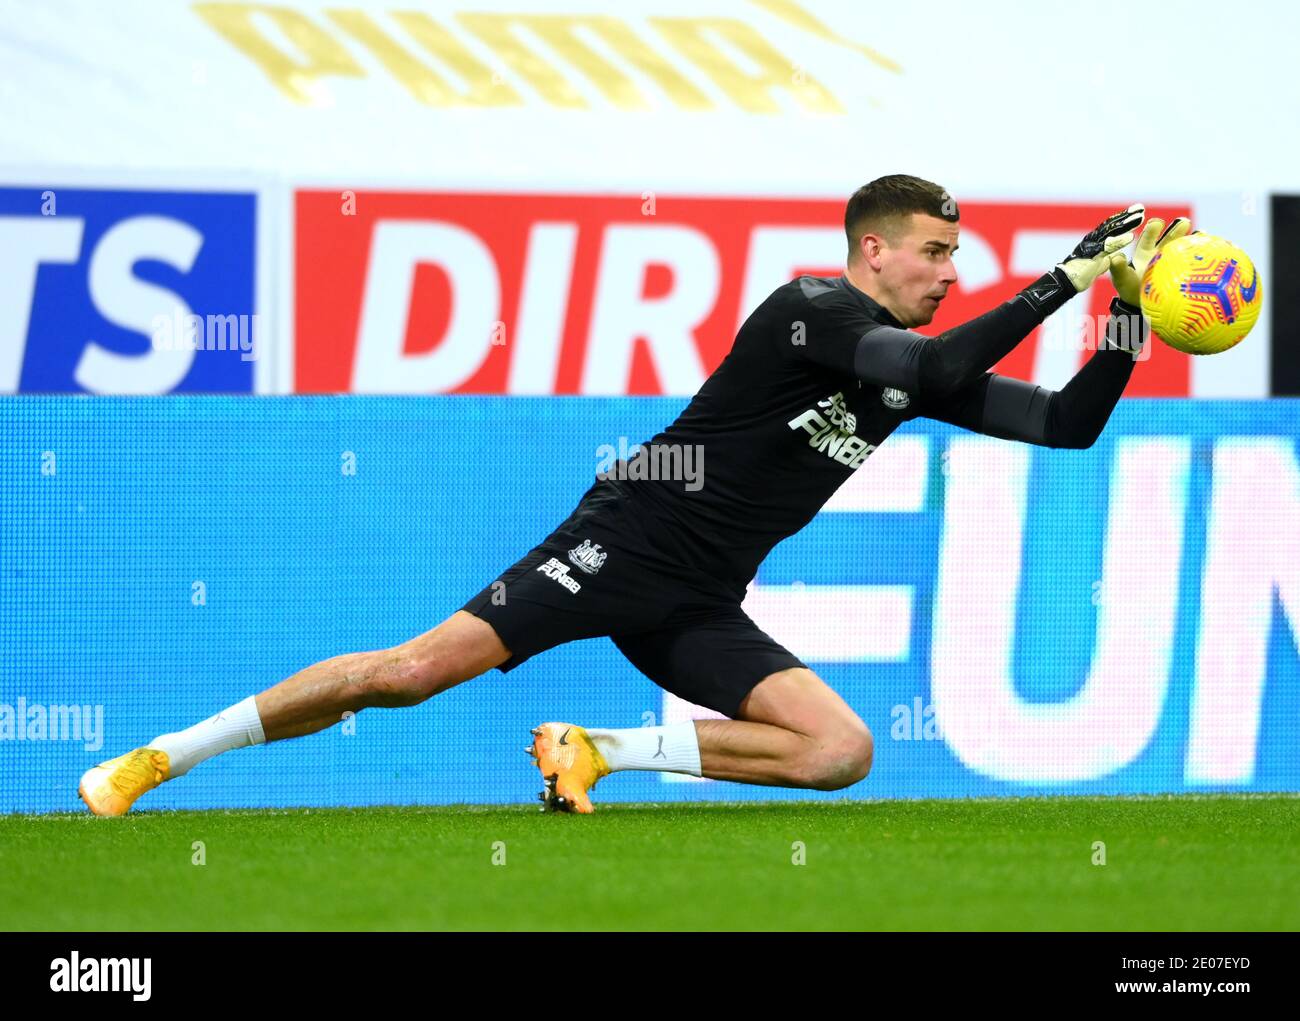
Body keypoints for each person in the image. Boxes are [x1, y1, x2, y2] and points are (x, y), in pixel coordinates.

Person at [79, 175, 1188, 816]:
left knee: (839, 753)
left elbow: (1065, 425)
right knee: (409, 675)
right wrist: (1062, 277)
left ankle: (599, 748)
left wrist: (1127, 311)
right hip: (624, 540)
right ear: (871, 250)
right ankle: (162, 756)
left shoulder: (901, 360)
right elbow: (936, 368)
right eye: (936, 253)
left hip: (700, 595)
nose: (949, 272)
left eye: (956, 257)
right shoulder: (809, 312)